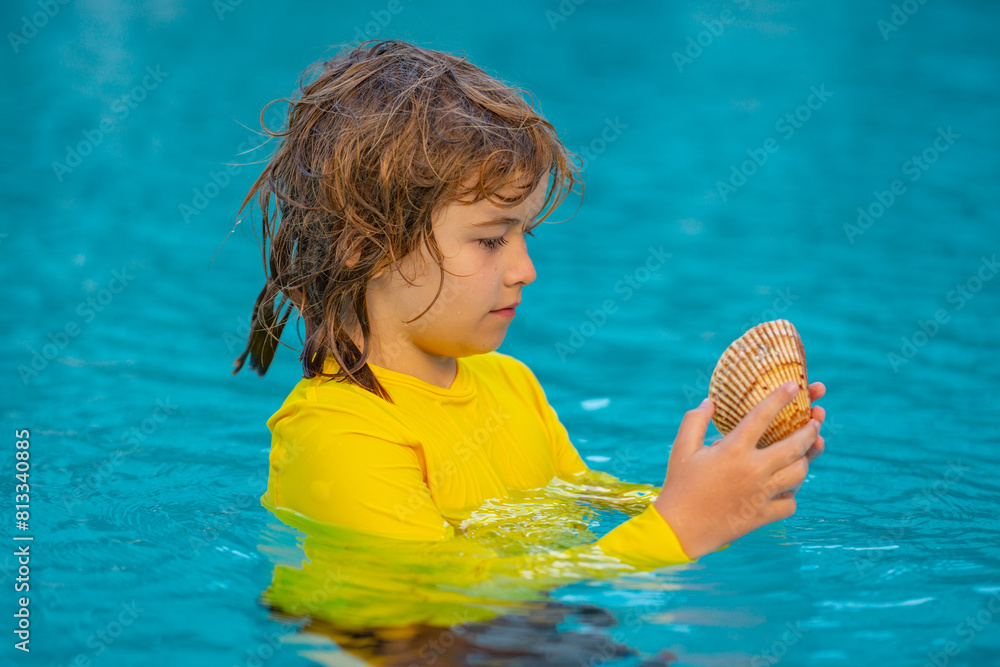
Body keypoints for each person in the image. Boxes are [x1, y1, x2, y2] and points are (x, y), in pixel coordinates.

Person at [232, 38, 827, 576]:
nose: (525, 271)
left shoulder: (512, 386)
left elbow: (580, 501)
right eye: (492, 239)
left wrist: (734, 479)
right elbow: (438, 597)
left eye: (524, 236)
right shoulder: (337, 436)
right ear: (368, 246)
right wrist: (680, 527)